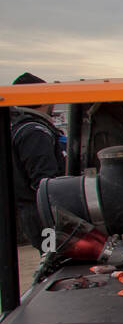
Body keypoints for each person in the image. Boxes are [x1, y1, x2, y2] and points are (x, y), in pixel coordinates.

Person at [8, 73, 63, 248]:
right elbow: (45, 180)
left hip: (35, 212)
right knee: (55, 257)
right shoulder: (35, 131)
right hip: (44, 214)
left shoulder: (20, 127)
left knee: (52, 257)